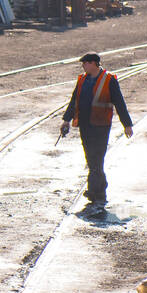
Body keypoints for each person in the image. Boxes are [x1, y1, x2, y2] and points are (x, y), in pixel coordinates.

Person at [59, 53, 132, 206]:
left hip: (101, 125)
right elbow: (74, 101)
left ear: (94, 63)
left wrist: (127, 124)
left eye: (85, 63)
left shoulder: (109, 80)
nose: (83, 66)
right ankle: (99, 189)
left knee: (96, 158)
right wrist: (66, 120)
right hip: (85, 125)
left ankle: (95, 192)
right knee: (91, 159)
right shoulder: (82, 79)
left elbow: (119, 102)